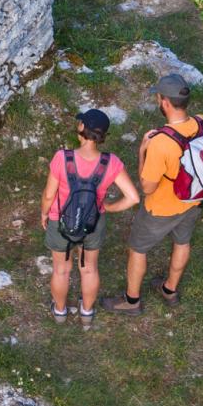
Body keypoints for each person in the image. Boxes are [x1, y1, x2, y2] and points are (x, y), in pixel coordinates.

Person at [105, 73, 203, 314]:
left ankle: (131, 301)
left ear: (164, 102)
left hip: (161, 208)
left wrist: (142, 151)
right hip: (193, 200)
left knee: (137, 249)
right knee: (182, 242)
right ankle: (169, 290)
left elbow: (147, 187)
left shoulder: (161, 142)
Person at [40, 109, 140, 321]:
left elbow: (49, 194)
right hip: (94, 221)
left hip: (60, 222)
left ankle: (59, 311)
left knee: (60, 270)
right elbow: (133, 198)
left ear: (81, 128)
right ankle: (86, 312)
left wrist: (44, 213)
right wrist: (108, 207)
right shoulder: (111, 162)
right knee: (89, 269)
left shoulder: (62, 158)